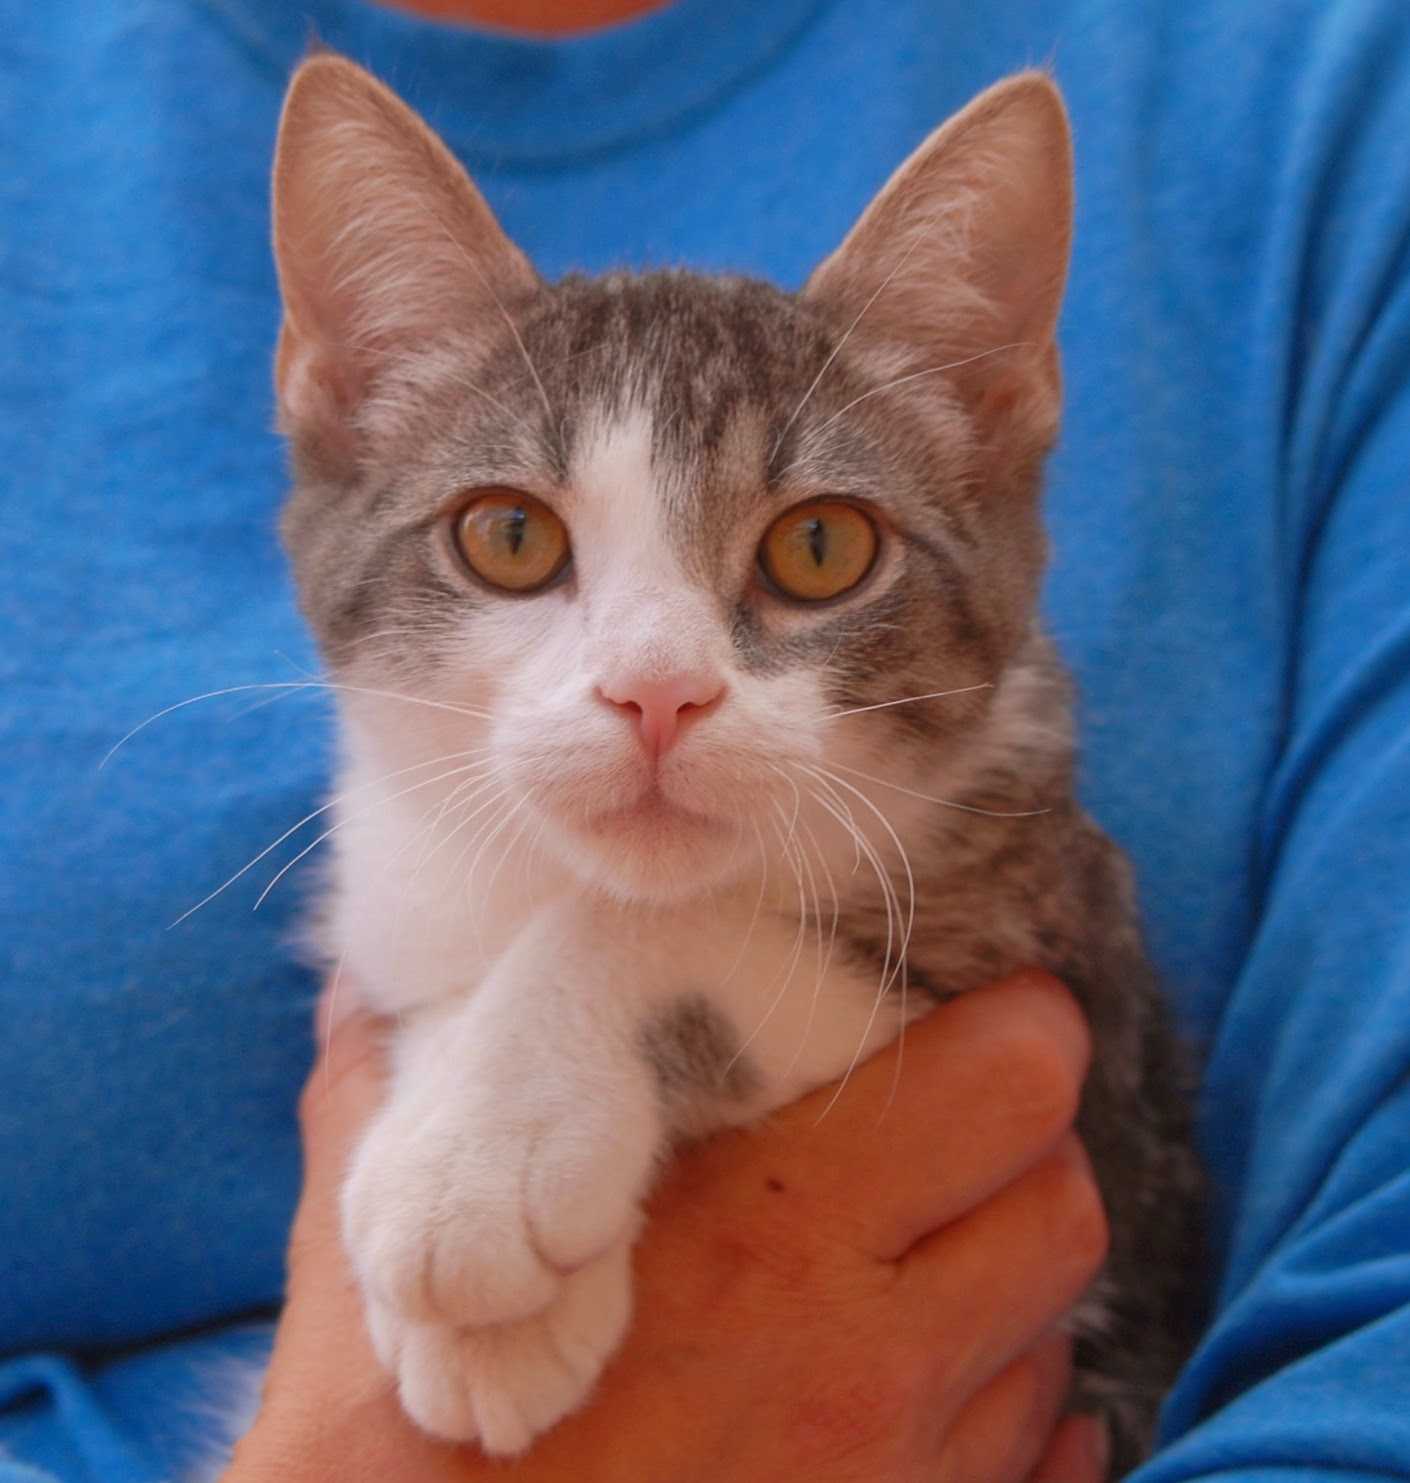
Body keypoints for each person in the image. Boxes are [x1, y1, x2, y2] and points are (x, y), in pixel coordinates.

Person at [3, 1, 1409, 1479]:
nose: (653, 685)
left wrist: (598, 1006)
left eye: (809, 552)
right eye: (511, 539)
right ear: (345, 420)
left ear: (989, 436)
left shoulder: (1321, 89)